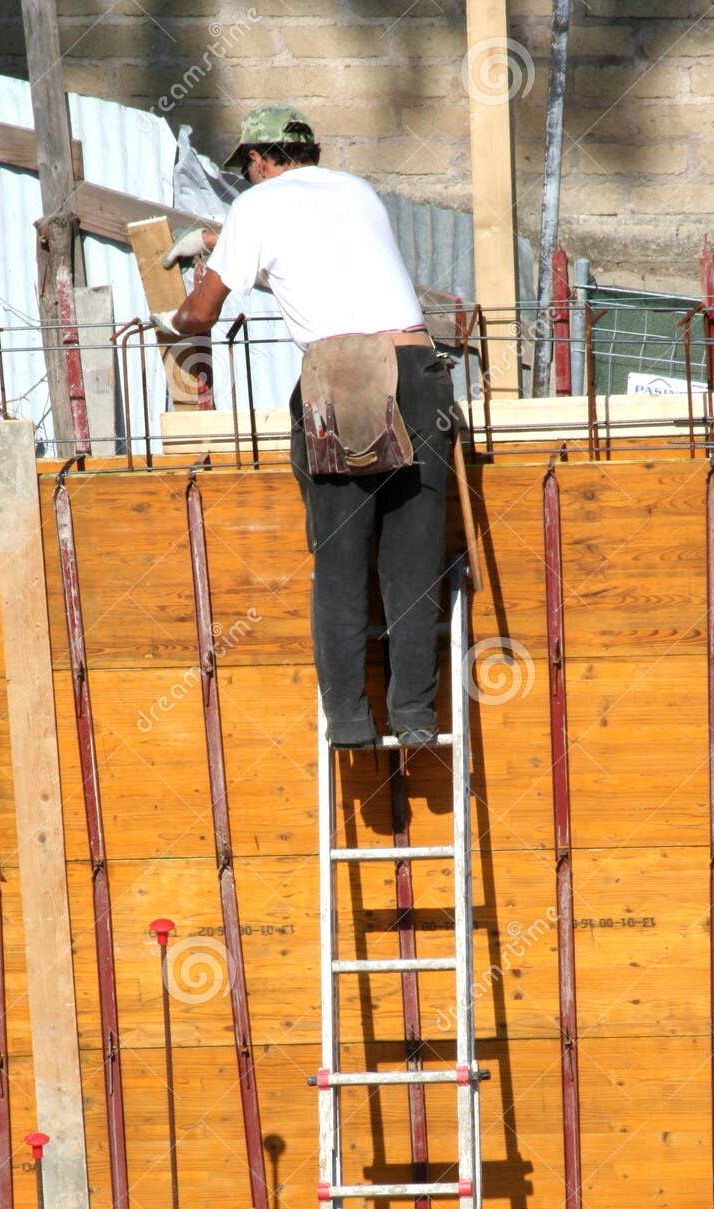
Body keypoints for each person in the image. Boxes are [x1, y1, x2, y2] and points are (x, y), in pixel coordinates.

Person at [159, 106, 454, 749]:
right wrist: (212, 241)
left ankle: (349, 720)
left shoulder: (257, 206)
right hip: (417, 367)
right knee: (413, 560)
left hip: (343, 377)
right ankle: (414, 716)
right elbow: (312, 251)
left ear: (259, 163)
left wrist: (171, 322)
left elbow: (201, 314)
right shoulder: (356, 192)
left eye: (249, 170)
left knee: (342, 557)